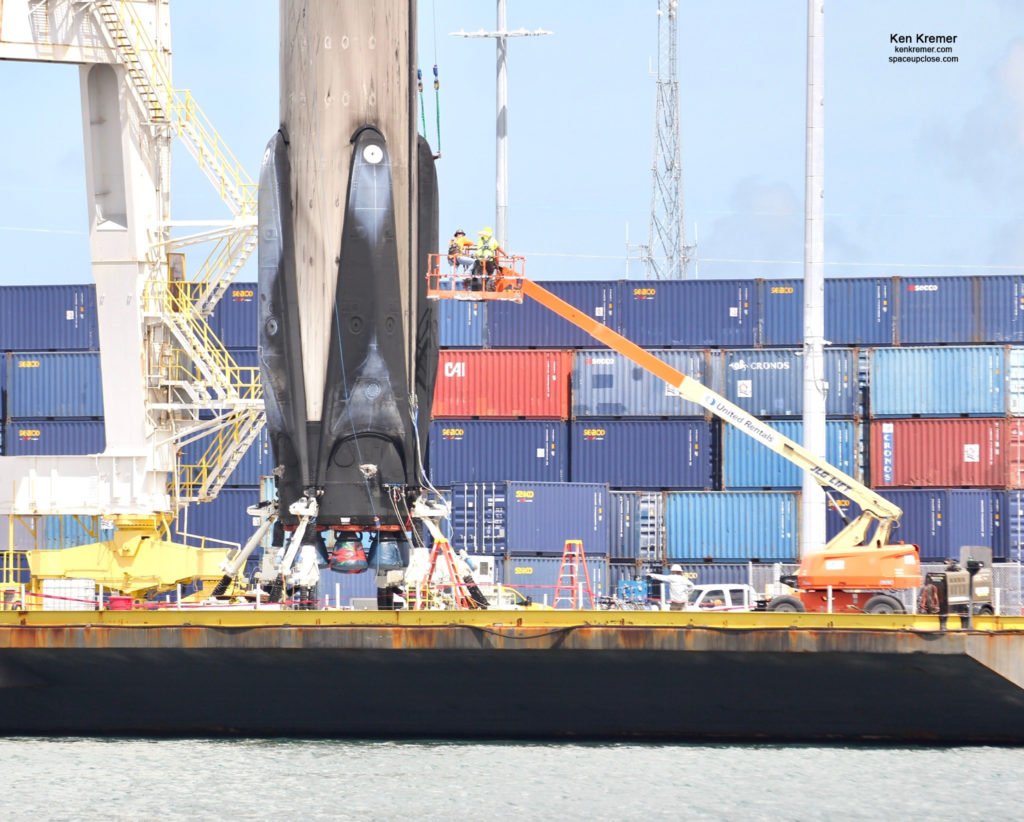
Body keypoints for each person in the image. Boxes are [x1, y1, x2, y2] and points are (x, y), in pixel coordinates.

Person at [471, 226, 504, 291]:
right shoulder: (493, 240)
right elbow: (498, 248)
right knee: (490, 273)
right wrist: (505, 254)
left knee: (477, 272)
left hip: (480, 259)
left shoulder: (480, 239)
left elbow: (479, 248)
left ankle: (478, 288)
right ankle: (487, 287)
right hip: (489, 260)